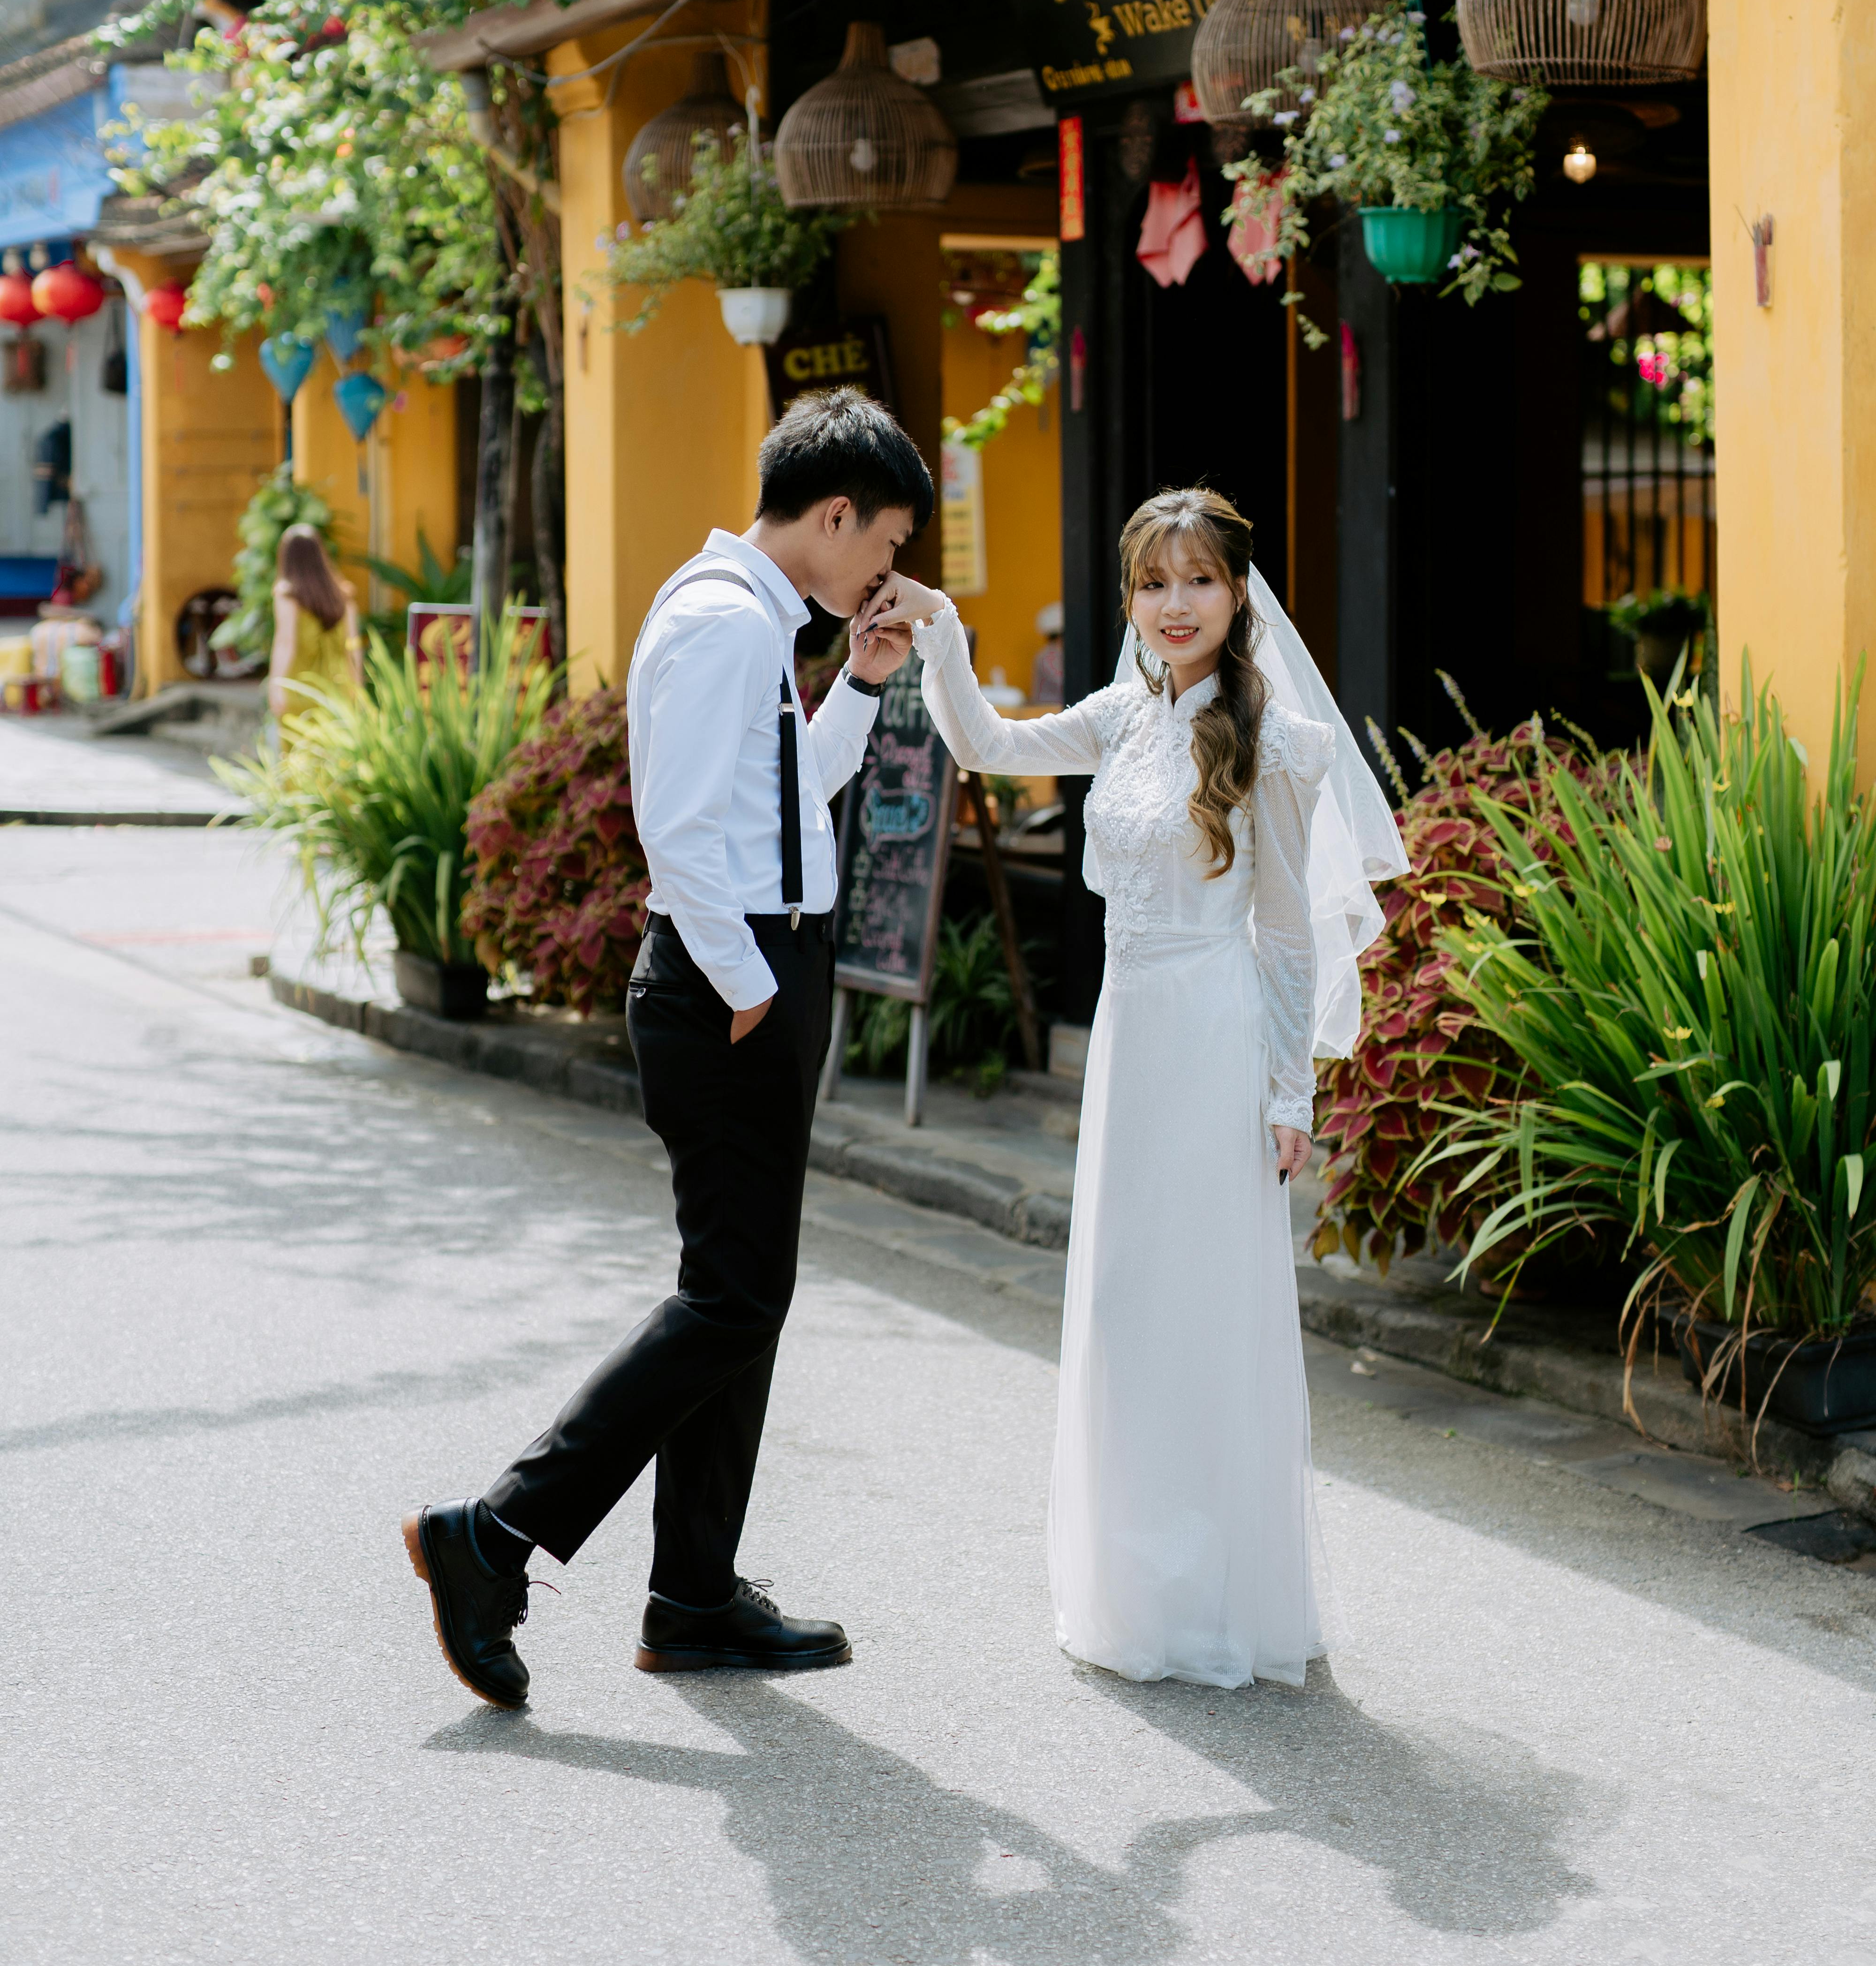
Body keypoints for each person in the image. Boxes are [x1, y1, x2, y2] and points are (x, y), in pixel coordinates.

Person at [403, 386, 933, 1708]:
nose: (887, 572)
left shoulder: (758, 620)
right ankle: (495, 1533)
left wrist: (862, 684)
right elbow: (682, 830)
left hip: (756, 970)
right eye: (885, 543)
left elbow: (783, 803)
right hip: (726, 982)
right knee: (731, 1299)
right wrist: (750, 986)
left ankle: (692, 1593)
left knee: (742, 1294)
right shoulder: (719, 623)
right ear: (834, 515)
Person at [858, 489, 1404, 1689]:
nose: (1174, 604)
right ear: (1129, 599)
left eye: (1198, 580)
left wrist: (1289, 1096)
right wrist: (940, 633)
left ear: (1238, 594)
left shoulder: (1276, 742)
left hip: (1213, 1035)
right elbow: (987, 747)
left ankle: (1216, 1601)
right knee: (1121, 1303)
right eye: (1153, 583)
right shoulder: (1119, 715)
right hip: (1130, 1038)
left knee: (1203, 1311)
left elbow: (1284, 933)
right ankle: (1136, 1586)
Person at [268, 523, 362, 729]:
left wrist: (276, 684)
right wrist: (357, 686)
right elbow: (353, 646)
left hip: (300, 691)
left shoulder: (288, 595)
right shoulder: (344, 596)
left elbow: (285, 643)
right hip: (338, 693)